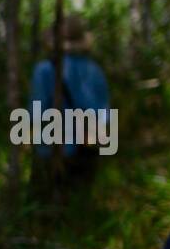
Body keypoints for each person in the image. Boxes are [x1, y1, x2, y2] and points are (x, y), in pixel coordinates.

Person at [28, 15, 110, 183]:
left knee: (48, 203)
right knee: (82, 203)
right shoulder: (96, 71)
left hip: (52, 152)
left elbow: (36, 114)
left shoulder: (44, 70)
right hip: (87, 152)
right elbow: (105, 117)